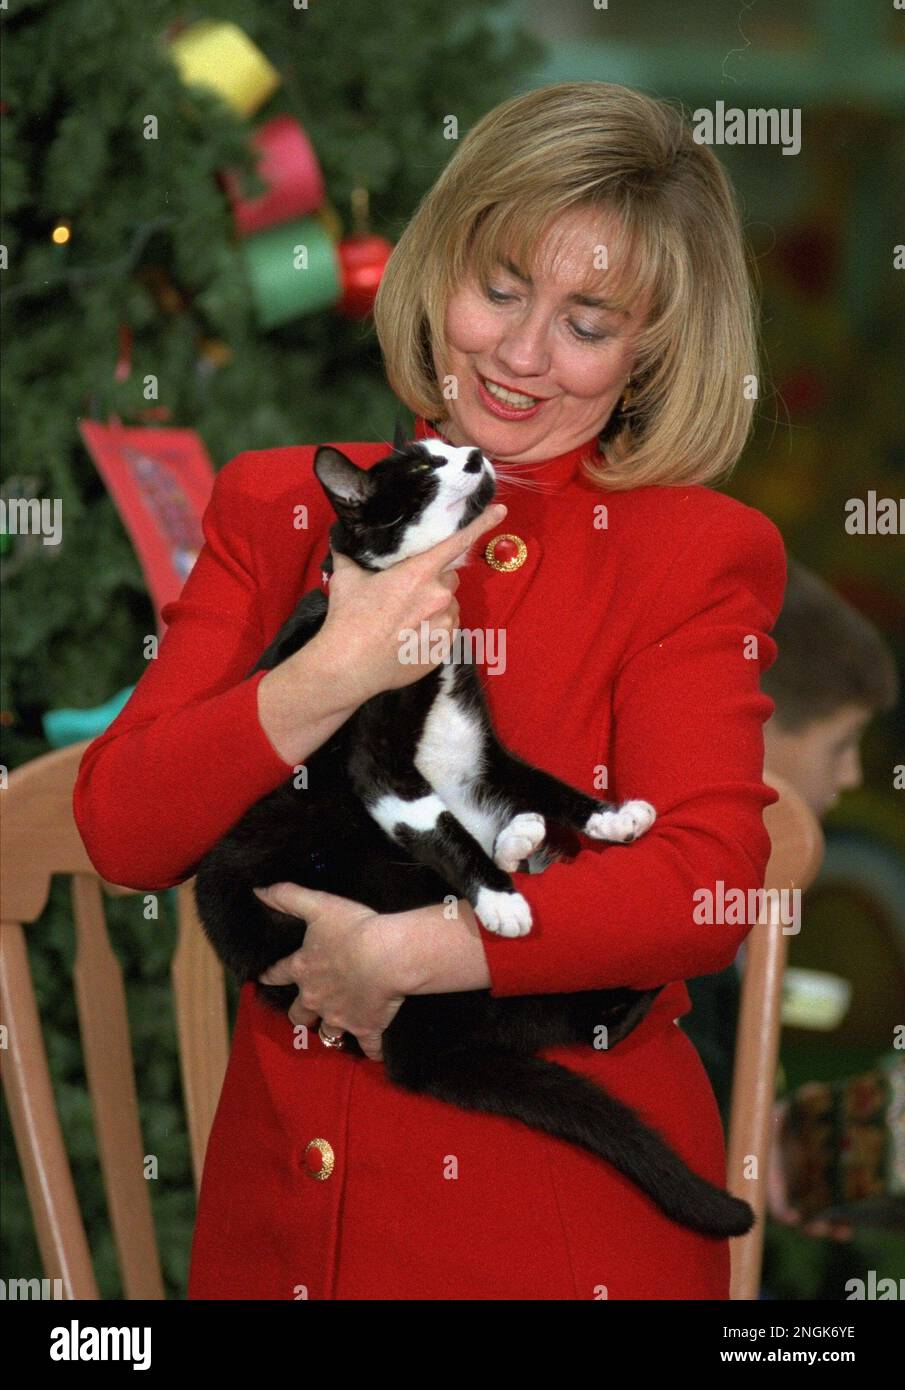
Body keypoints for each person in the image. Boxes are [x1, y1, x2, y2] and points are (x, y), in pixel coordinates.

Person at [72, 81, 787, 1300]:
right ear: (435, 264)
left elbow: (700, 885)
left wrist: (416, 949)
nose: (516, 354)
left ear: (652, 348)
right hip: (280, 1228)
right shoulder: (275, 505)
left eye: (586, 320)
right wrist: (330, 673)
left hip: (556, 1227)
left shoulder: (689, 551)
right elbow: (124, 832)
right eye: (498, 289)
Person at [683, 558, 899, 1241]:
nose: (852, 775)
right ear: (758, 724)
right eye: (839, 744)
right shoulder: (676, 895)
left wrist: (763, 1144)